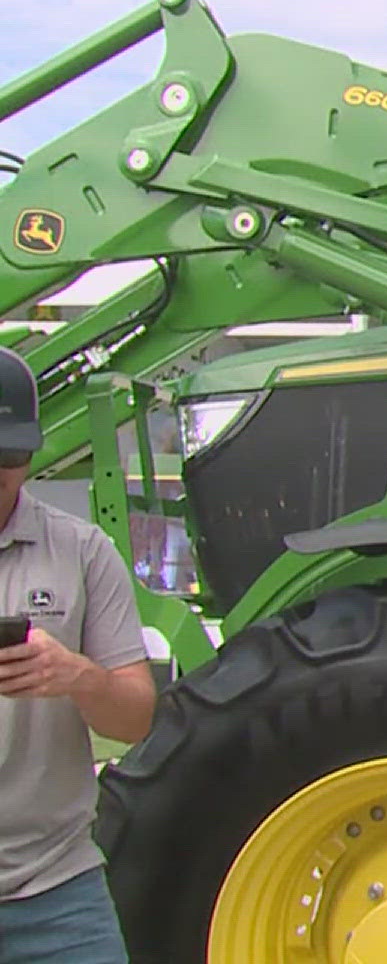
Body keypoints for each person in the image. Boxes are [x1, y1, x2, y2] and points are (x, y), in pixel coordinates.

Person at [0, 347, 154, 964]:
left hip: (58, 892)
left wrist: (79, 677)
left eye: (7, 457)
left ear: (31, 453)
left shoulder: (84, 553)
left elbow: (136, 721)